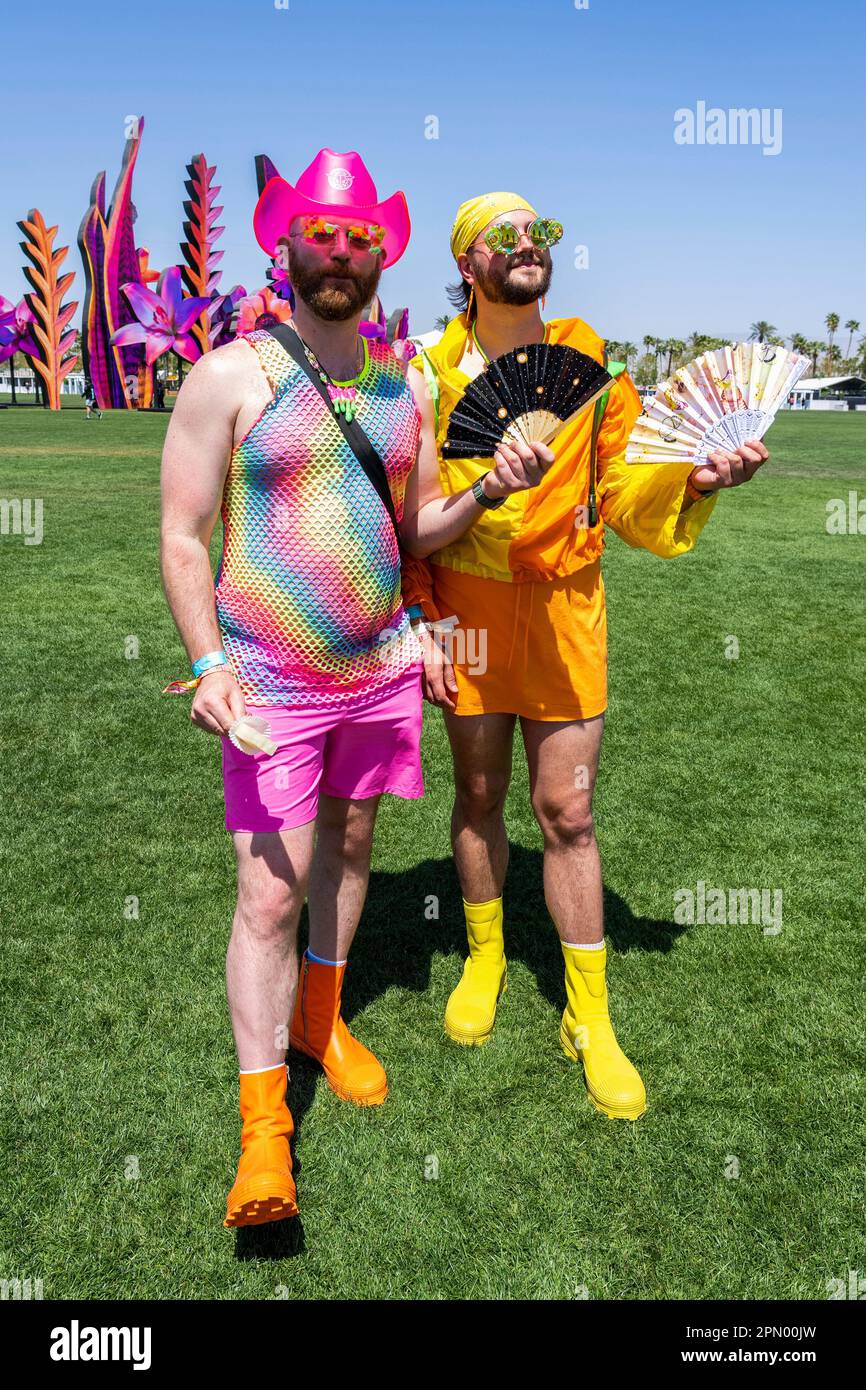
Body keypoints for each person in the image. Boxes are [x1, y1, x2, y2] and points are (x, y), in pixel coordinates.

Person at [159, 153, 551, 1227]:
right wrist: (208, 663)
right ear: (283, 244)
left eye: (359, 238)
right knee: (268, 893)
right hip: (270, 684)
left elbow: (413, 525)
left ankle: (320, 1022)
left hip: (376, 673)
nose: (340, 254)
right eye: (321, 236)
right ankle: (262, 1134)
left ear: (383, 252)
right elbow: (182, 536)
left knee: (354, 849)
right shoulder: (229, 376)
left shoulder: (399, 390)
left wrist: (485, 491)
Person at [399, 192, 769, 1122]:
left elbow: (625, 489)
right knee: (478, 794)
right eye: (505, 236)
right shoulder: (431, 371)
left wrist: (692, 476)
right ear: (467, 263)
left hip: (568, 610)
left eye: (541, 233)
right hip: (471, 611)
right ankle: (485, 957)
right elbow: (411, 522)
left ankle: (591, 1019)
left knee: (566, 809)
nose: (528, 246)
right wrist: (426, 618)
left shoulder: (592, 362)